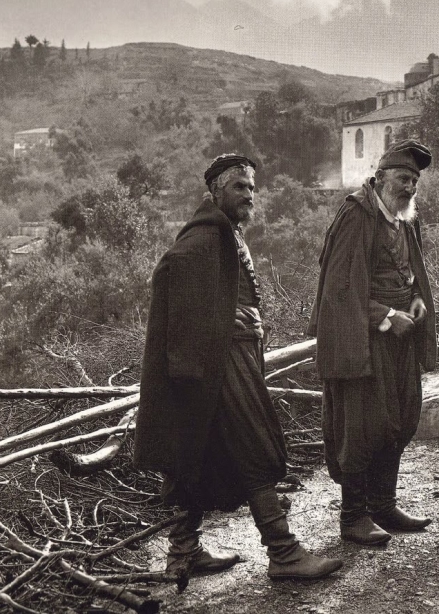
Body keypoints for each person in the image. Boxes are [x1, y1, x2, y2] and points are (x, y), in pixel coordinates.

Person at [135, 154, 342, 584]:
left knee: (202, 453)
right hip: (220, 366)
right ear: (215, 192)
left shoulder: (225, 234)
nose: (249, 194)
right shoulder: (203, 239)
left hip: (231, 360)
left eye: (251, 188)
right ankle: (283, 553)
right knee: (254, 447)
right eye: (238, 187)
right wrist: (221, 321)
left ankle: (183, 552)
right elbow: (172, 281)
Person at [308, 140, 438, 546]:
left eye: (414, 181)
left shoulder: (404, 220)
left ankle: (383, 505)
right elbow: (339, 288)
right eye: (403, 178)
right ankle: (353, 518)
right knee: (361, 428)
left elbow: (407, 274)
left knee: (398, 421)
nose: (409, 188)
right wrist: (385, 316)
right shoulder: (355, 215)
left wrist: (414, 302)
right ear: (380, 178)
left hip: (401, 341)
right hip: (362, 344)